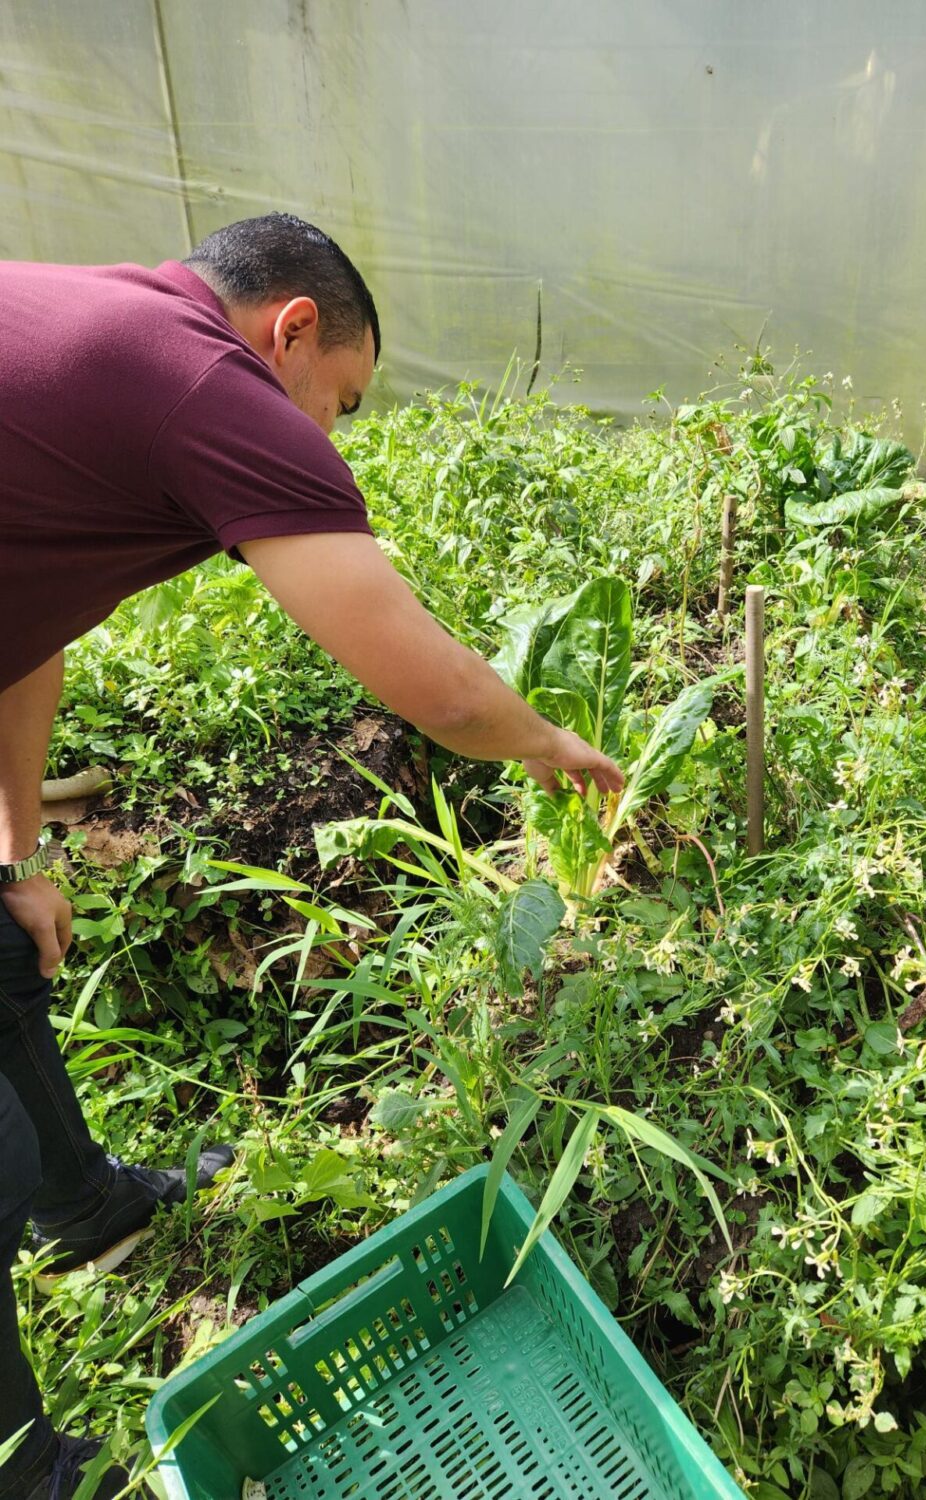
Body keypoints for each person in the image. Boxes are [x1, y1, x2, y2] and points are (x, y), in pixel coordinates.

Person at [0, 213, 623, 1499]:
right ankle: (29, 1473)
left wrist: (14, 856)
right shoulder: (199, 384)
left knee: (3, 964)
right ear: (290, 330)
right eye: (339, 400)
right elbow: (433, 693)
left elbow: (24, 624)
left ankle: (90, 1210)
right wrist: (552, 743)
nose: (327, 434)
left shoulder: (94, 334)